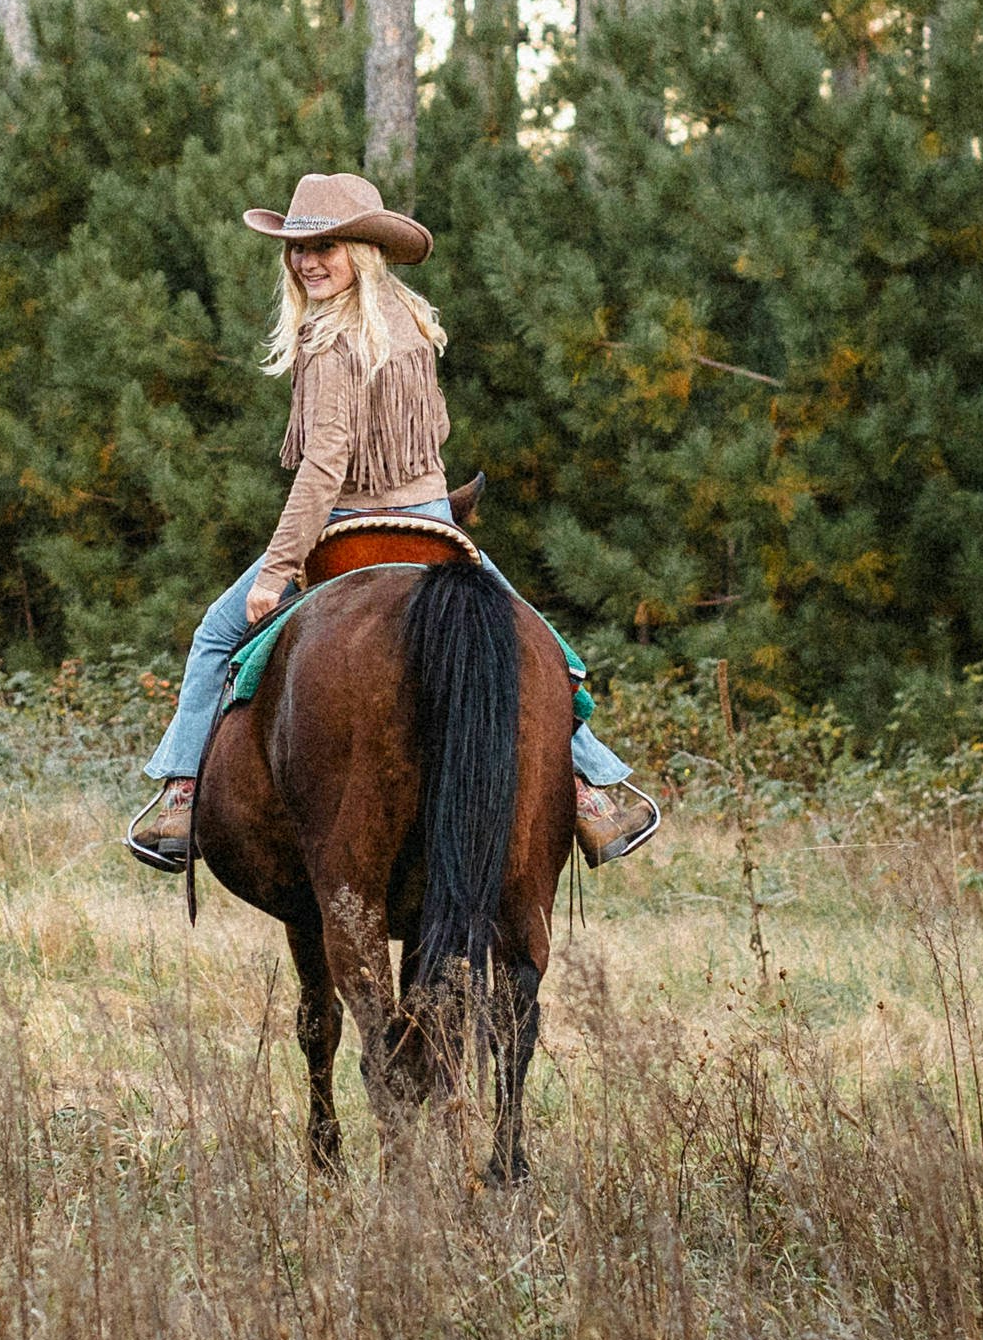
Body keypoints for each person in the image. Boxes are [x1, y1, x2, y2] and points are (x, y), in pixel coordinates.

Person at [125, 171, 659, 873]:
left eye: (327, 245)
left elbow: (323, 468)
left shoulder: (327, 340)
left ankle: (180, 796)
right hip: (435, 524)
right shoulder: (411, 321)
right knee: (541, 650)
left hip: (350, 528)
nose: (308, 261)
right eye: (298, 248)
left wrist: (281, 569)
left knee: (216, 633)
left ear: (364, 250)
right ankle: (593, 793)